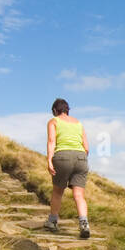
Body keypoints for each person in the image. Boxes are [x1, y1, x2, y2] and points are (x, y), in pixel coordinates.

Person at [44, 98, 91, 239]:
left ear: (54, 110)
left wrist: (49, 160)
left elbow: (52, 141)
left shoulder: (53, 121)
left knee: (58, 191)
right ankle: (84, 224)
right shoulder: (79, 123)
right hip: (81, 157)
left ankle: (52, 221)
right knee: (79, 195)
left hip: (62, 156)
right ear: (67, 109)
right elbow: (87, 148)